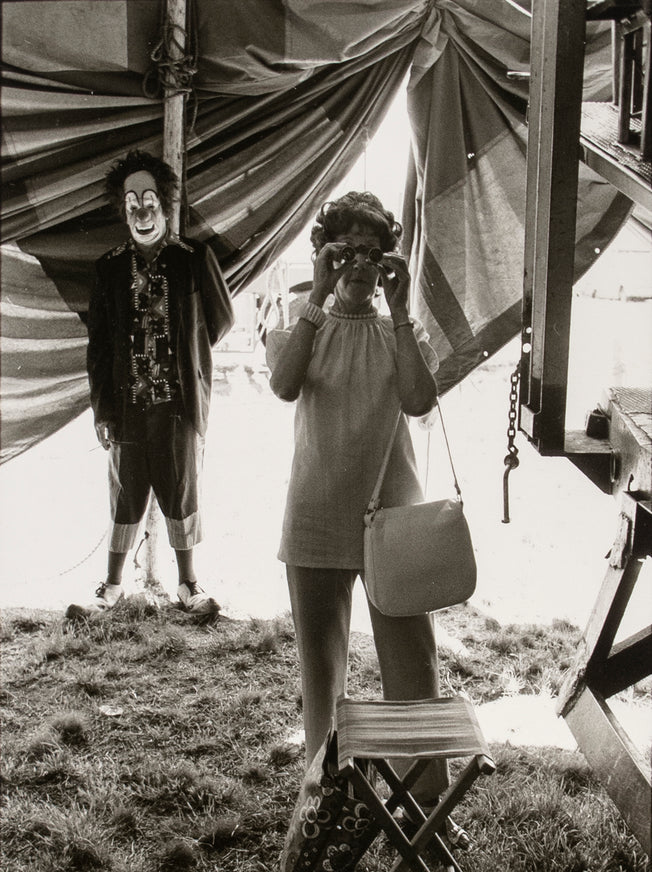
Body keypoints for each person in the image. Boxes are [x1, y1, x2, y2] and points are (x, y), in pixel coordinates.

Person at [266, 191, 463, 830]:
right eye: (345, 251)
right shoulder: (303, 319)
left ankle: (426, 810)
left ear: (386, 265)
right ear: (324, 254)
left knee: (413, 667)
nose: (357, 265)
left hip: (393, 524)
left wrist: (400, 310)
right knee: (321, 675)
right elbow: (284, 383)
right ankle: (326, 805)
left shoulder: (400, 331)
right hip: (316, 519)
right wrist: (318, 294)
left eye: (371, 255)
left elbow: (418, 400)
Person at [68, 149, 234, 616]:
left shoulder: (194, 258)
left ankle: (189, 584)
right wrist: (103, 410)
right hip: (126, 406)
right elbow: (99, 347)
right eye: (131, 204)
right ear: (123, 210)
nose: (141, 212)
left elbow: (220, 320)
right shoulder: (109, 268)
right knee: (125, 491)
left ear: (163, 203)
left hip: (178, 404)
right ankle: (111, 586)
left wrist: (186, 355)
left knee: (181, 488)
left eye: (148, 202)